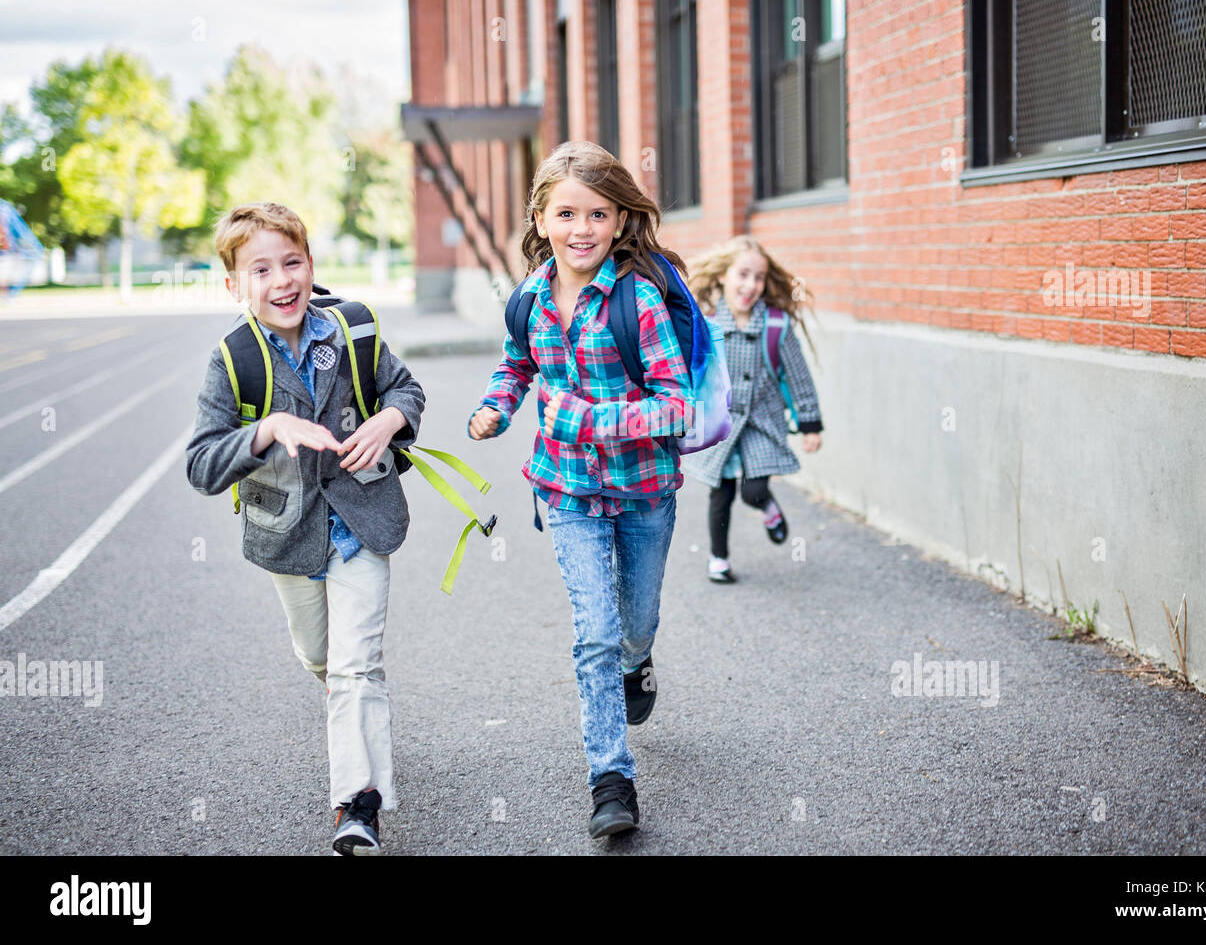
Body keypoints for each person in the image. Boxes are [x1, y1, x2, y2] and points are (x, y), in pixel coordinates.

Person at [467, 141, 693, 839]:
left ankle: (638, 661)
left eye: (599, 214)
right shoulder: (529, 300)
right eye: (567, 213)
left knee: (635, 624)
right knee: (593, 634)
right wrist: (496, 408)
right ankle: (611, 778)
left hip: (644, 490)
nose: (582, 229)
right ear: (541, 216)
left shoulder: (640, 300)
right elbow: (516, 365)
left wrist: (591, 420)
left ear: (623, 221)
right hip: (566, 494)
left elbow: (677, 406)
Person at [185, 202, 426, 855]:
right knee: (322, 659)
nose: (281, 279)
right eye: (260, 268)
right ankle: (354, 717)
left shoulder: (352, 330)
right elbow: (202, 464)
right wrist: (266, 429)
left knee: (355, 667)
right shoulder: (233, 361)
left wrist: (390, 421)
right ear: (232, 284)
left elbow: (406, 391)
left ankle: (358, 804)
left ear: (312, 265)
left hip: (362, 521)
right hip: (288, 538)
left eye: (292, 262)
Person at [681, 236, 824, 583]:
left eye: (758, 278)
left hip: (761, 422)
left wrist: (810, 424)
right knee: (722, 493)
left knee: (753, 491)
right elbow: (690, 371)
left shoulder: (776, 326)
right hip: (722, 423)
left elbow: (799, 376)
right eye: (743, 274)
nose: (750, 285)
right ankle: (719, 558)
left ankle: (768, 507)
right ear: (722, 277)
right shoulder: (707, 323)